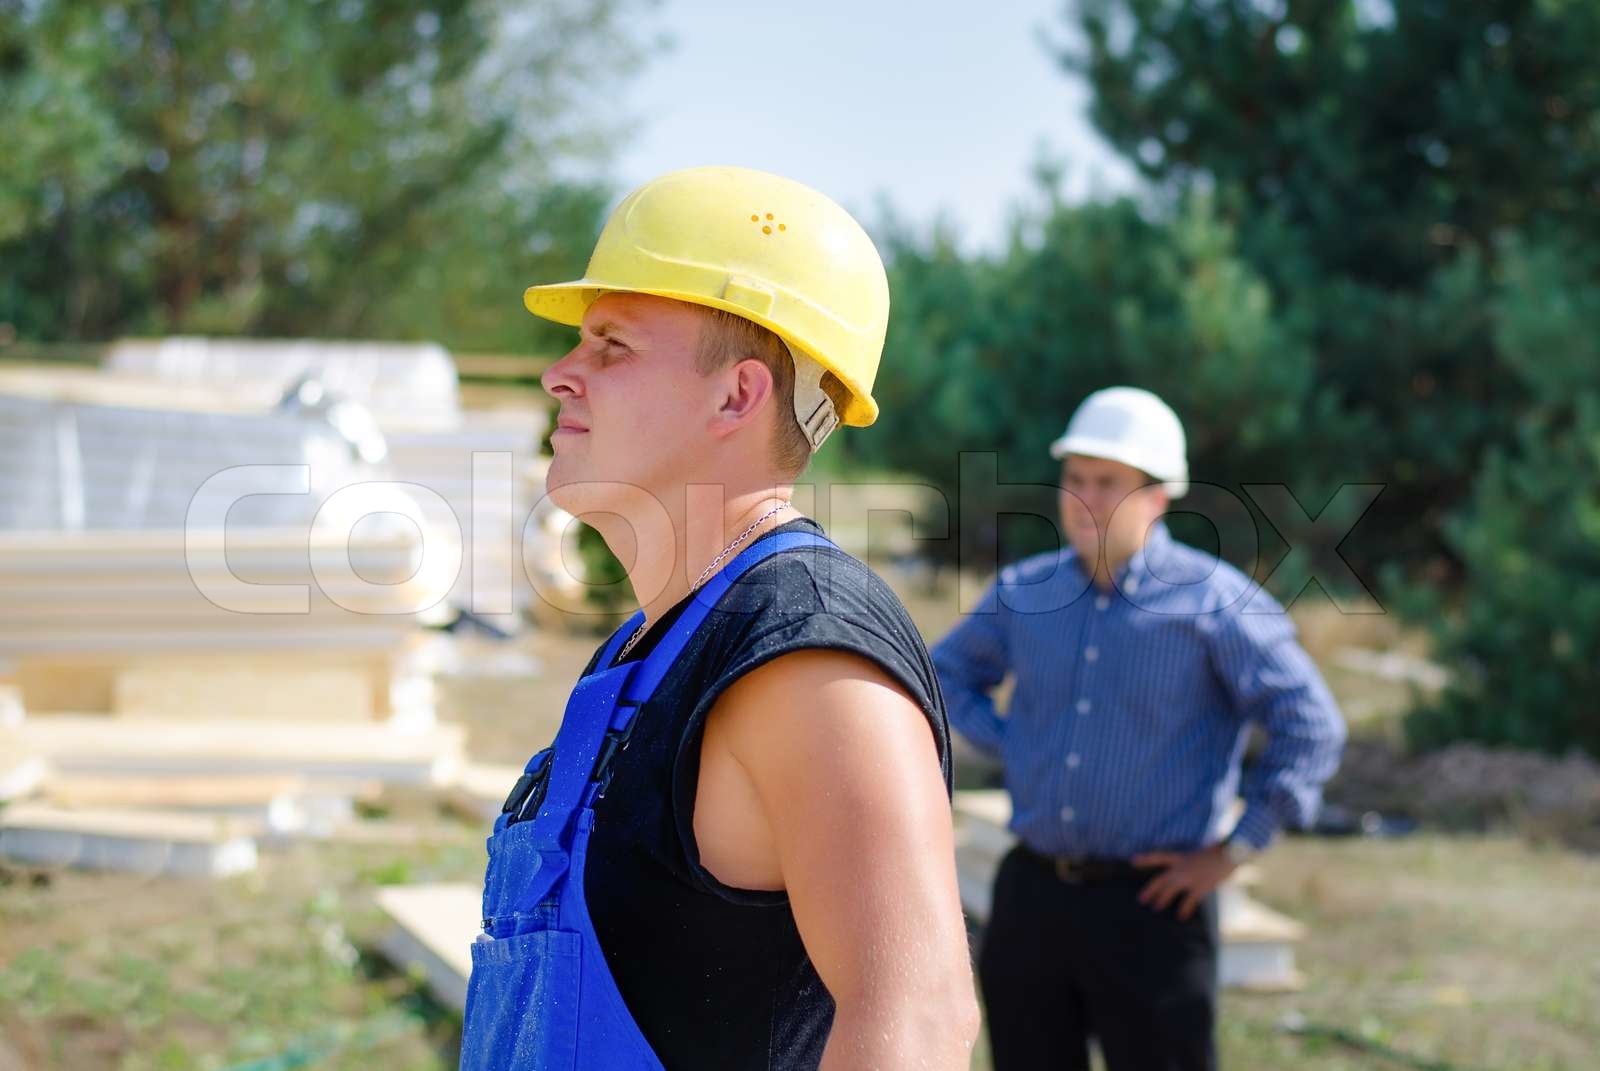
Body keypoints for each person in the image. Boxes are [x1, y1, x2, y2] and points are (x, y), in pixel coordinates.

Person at [459, 166, 979, 1071]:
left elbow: (916, 1026)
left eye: (610, 346)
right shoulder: (649, 645)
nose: (557, 374)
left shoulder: (805, 657)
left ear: (737, 396)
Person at [933, 386, 1346, 1071]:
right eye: (1076, 479)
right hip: (1031, 895)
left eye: (1110, 483)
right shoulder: (1024, 591)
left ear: (1159, 496)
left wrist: (1235, 850)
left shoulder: (1218, 603)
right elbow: (942, 677)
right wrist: (1016, 741)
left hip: (1155, 909)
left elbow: (1312, 726)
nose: (1087, 498)